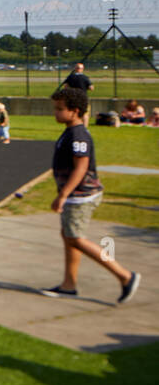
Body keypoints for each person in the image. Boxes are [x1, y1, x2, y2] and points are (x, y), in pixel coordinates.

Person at [41, 87, 140, 304]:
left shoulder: (78, 135)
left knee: (75, 238)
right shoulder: (70, 131)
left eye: (59, 109)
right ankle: (69, 284)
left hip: (81, 195)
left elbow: (81, 167)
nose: (55, 113)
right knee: (69, 236)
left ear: (75, 111)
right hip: (75, 195)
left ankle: (125, 276)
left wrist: (63, 194)